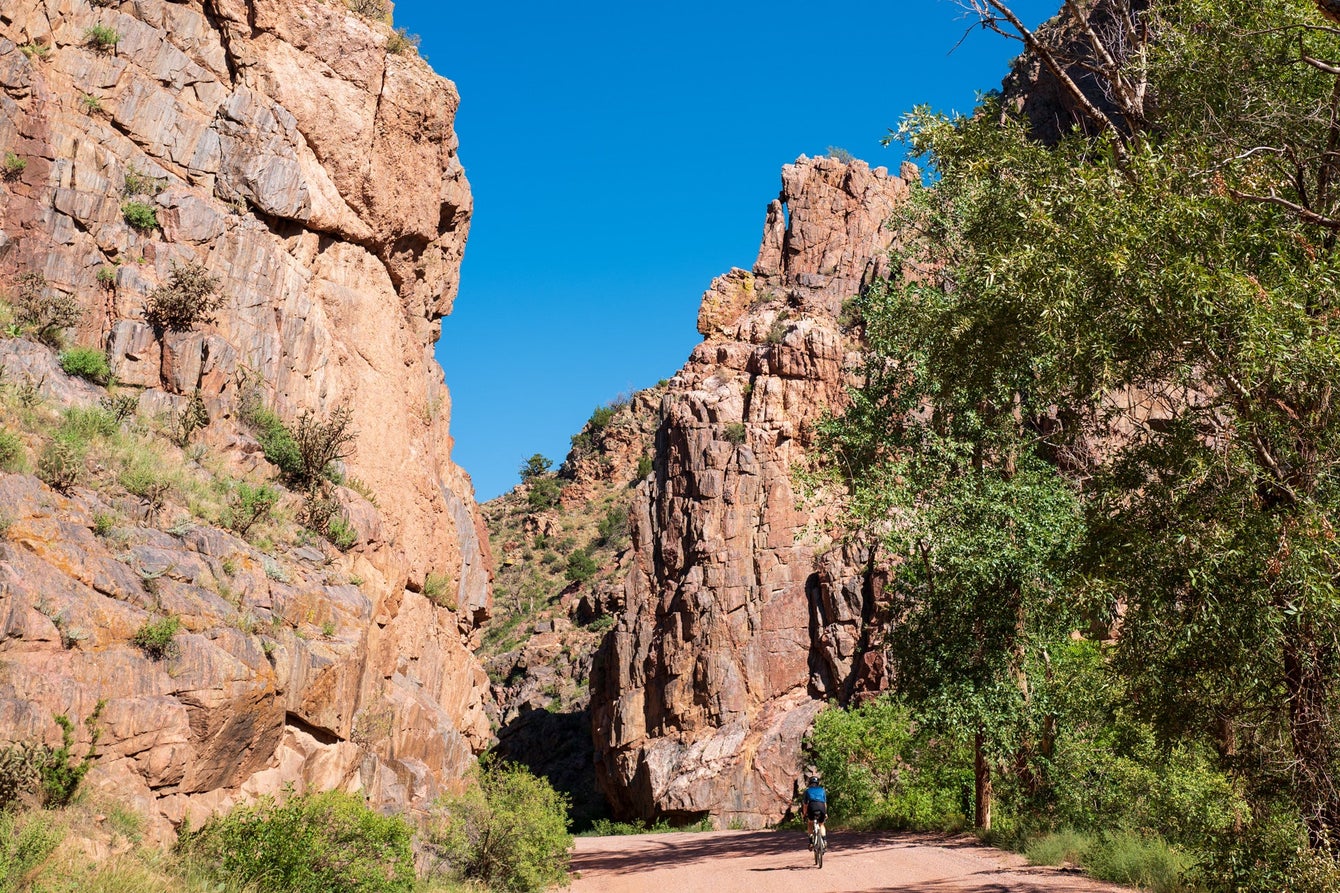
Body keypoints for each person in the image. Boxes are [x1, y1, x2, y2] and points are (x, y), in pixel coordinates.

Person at [801, 774, 827, 847]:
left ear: (810, 783)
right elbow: (825, 803)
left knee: (810, 823)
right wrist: (825, 813)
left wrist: (804, 814)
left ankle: (811, 842)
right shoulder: (822, 790)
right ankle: (824, 840)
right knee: (821, 824)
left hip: (812, 807)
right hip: (821, 806)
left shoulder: (807, 791)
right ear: (818, 783)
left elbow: (805, 805)